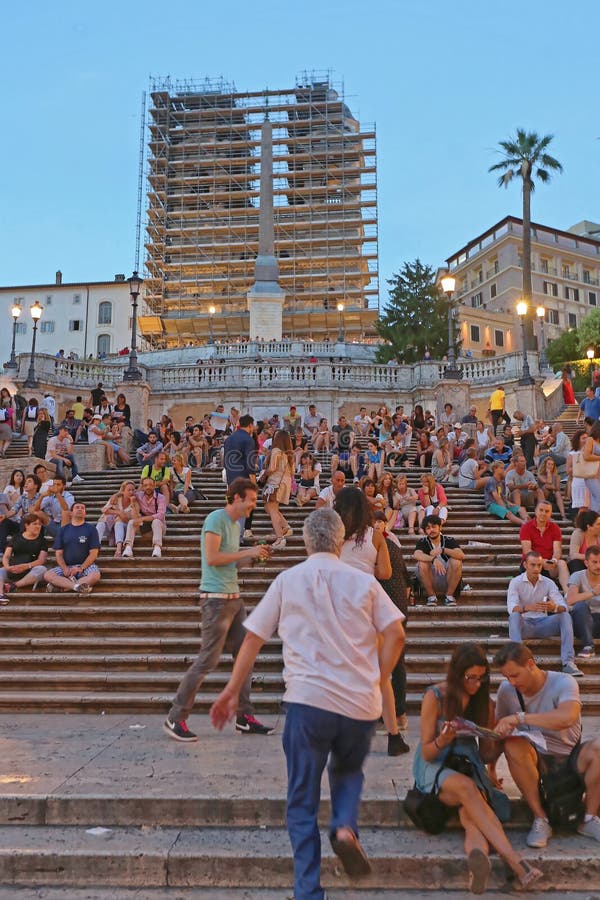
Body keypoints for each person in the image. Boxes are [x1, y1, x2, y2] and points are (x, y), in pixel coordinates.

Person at [209, 508, 405, 899]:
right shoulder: (362, 581)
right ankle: (345, 827)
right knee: (348, 774)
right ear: (340, 540)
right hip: (358, 704)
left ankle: (308, 891)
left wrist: (231, 691)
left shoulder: (288, 580)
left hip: (307, 702)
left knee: (302, 800)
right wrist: (379, 678)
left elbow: (252, 638)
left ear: (305, 541)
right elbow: (396, 634)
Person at [412, 643, 542, 892]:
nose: (476, 684)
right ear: (457, 674)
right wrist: (444, 739)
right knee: (468, 789)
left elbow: (484, 754)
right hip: (435, 768)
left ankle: (477, 865)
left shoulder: (485, 703)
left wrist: (499, 739)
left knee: (470, 816)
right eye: (471, 678)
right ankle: (516, 862)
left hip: (467, 766)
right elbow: (428, 753)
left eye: (482, 678)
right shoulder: (435, 697)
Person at [164, 478, 272, 743]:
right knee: (208, 660)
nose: (253, 505)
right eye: (251, 500)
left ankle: (244, 717)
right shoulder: (216, 519)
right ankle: (175, 717)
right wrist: (246, 551)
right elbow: (212, 558)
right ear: (236, 498)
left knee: (245, 657)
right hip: (215, 601)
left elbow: (230, 564)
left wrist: (253, 559)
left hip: (234, 599)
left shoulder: (235, 526)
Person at [494, 641, 600, 848]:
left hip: (570, 757)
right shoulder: (506, 690)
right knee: (513, 745)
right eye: (507, 677)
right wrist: (491, 769)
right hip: (536, 759)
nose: (511, 682)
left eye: (515, 675)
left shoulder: (564, 682)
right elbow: (500, 732)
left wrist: (520, 718)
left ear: (531, 664)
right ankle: (540, 819)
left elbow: (566, 717)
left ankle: (589, 818)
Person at [334, 486, 407, 756]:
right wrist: (369, 567)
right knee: (381, 675)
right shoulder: (376, 535)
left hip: (340, 603)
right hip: (367, 601)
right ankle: (394, 736)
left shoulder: (334, 535)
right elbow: (386, 573)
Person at [507, 551, 581, 676]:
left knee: (565, 615)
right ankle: (519, 661)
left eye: (539, 565)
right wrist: (527, 607)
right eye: (533, 565)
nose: (536, 569)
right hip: (525, 625)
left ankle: (568, 662)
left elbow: (564, 606)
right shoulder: (515, 582)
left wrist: (555, 607)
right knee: (514, 616)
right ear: (525, 565)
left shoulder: (548, 582)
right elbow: (511, 608)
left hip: (544, 624)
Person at [44, 501, 102, 595]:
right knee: (48, 575)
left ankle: (64, 588)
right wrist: (64, 568)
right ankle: (77, 587)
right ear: (71, 513)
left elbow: (94, 553)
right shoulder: (63, 530)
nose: (80, 509)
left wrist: (81, 567)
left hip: (85, 566)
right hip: (67, 566)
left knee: (95, 575)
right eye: (77, 507)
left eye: (82, 508)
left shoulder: (91, 529)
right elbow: (58, 553)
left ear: (85, 513)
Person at [414, 514, 464, 607]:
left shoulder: (449, 540)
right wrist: (433, 559)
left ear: (440, 527)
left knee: (456, 561)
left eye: (434, 526)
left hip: (448, 579)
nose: (431, 530)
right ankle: (431, 596)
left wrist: (443, 550)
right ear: (425, 531)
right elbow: (416, 555)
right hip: (429, 579)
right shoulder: (422, 541)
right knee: (422, 563)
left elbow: (461, 555)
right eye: (428, 528)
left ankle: (449, 596)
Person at [520, 500, 570, 593]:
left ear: (550, 513)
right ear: (535, 511)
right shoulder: (526, 527)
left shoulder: (555, 528)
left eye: (547, 511)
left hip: (549, 565)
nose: (543, 513)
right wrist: (542, 562)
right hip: (532, 563)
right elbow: (527, 551)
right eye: (541, 510)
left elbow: (557, 551)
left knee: (562, 563)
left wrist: (553, 561)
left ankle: (568, 594)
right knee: (531, 562)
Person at [0, 514, 48, 603]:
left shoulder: (42, 540)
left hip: (30, 569)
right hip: (13, 567)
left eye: (40, 524)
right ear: (27, 525)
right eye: (35, 524)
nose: (38, 526)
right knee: (1, 571)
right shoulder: (16, 537)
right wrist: (7, 567)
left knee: (42, 569)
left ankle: (13, 585)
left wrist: (25, 566)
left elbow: (41, 560)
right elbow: (6, 556)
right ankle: (1, 594)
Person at [566, 545, 600, 658]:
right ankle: (588, 646)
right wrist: (593, 592)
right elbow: (570, 600)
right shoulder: (578, 576)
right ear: (586, 563)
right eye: (594, 562)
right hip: (581, 622)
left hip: (598, 622)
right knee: (580, 606)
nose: (598, 566)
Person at [263, 430, 294, 550]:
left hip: (275, 482)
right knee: (269, 507)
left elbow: (272, 468)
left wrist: (264, 474)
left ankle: (280, 538)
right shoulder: (290, 454)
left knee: (271, 509)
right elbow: (292, 472)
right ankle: (286, 527)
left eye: (275, 436)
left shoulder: (276, 451)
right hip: (285, 483)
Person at [123, 477, 167, 559]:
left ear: (154, 486)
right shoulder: (138, 495)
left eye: (150, 485)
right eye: (145, 485)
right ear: (142, 487)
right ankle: (128, 547)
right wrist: (116, 496)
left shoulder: (161, 497)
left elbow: (160, 515)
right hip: (144, 528)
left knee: (156, 521)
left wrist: (142, 519)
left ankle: (157, 547)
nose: (148, 487)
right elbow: (126, 493)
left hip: (158, 528)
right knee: (131, 522)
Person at [96, 480, 139, 558]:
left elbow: (135, 520)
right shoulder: (117, 498)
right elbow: (104, 510)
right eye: (129, 490)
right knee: (101, 522)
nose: (131, 492)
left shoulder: (135, 502)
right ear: (123, 491)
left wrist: (132, 504)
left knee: (119, 522)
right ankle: (95, 547)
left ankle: (118, 549)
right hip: (112, 526)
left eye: (133, 490)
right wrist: (119, 512)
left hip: (126, 529)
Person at [568, 510, 600, 574]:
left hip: (596, 565)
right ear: (589, 526)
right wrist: (591, 558)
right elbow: (573, 555)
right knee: (576, 562)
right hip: (580, 566)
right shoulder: (578, 533)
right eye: (598, 524)